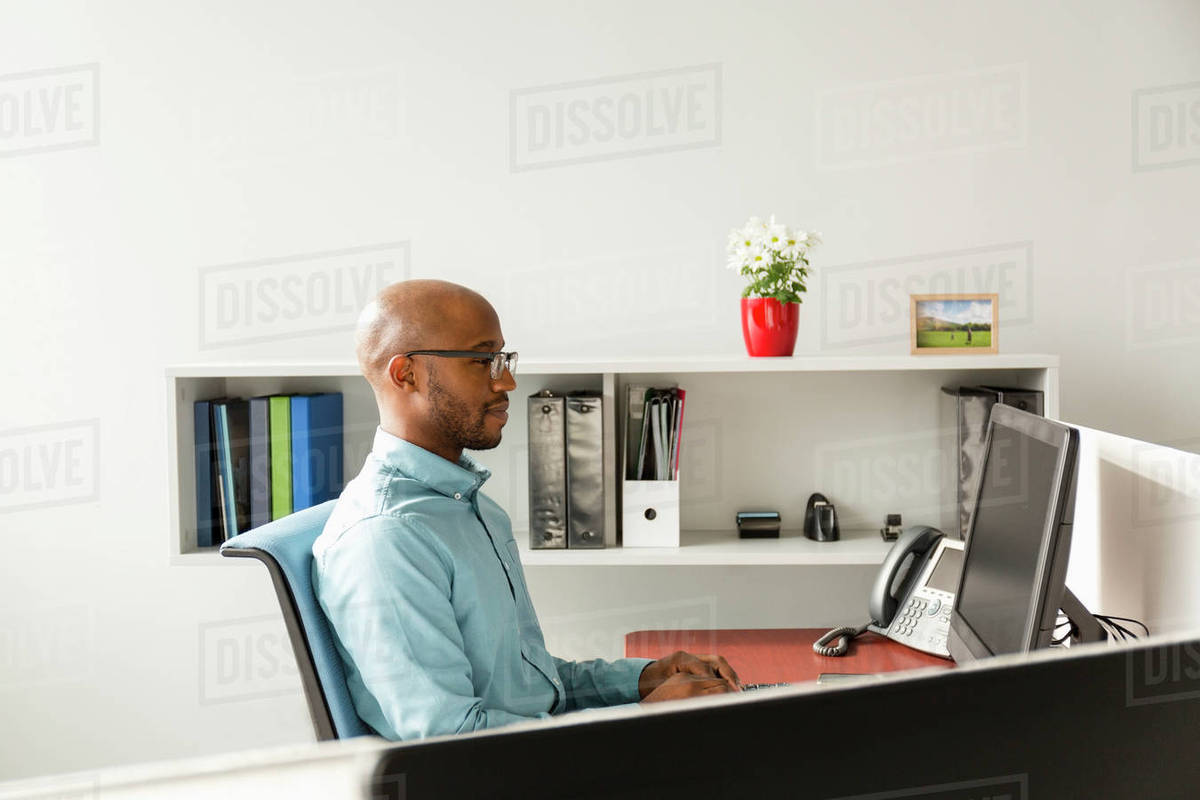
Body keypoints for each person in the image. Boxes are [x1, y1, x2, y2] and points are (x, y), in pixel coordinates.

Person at [313, 279, 740, 741]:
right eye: (482, 361)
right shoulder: (385, 538)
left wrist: (645, 679)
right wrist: (642, 718)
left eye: (503, 359)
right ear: (406, 374)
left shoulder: (471, 509)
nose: (506, 382)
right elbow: (449, 743)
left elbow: (531, 690)